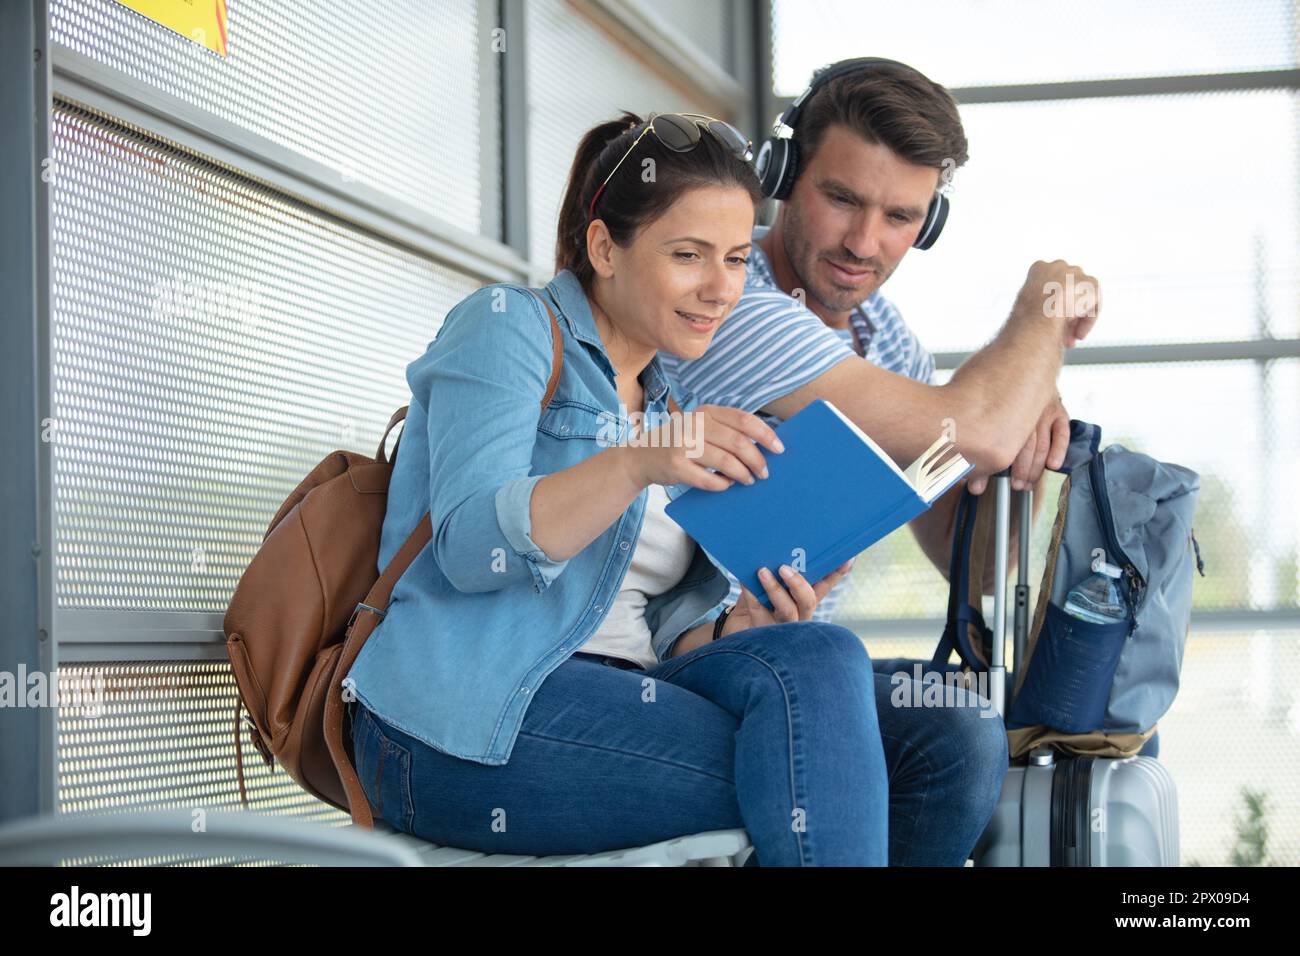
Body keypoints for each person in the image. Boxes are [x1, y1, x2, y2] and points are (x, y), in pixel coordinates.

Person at [343, 111, 889, 866]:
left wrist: (745, 626)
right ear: (604, 246)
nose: (720, 288)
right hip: (463, 723)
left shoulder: (665, 404)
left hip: (624, 695)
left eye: (735, 259)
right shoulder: (510, 329)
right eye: (689, 255)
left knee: (860, 685)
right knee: (810, 779)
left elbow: (655, 633)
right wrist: (636, 462)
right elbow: (471, 548)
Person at [656, 58, 1104, 863]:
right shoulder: (729, 303)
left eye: (901, 216)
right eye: (841, 199)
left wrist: (1028, 423)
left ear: (928, 223)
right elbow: (976, 425)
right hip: (689, 655)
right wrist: (1044, 310)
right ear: (781, 174)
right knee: (946, 730)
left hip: (798, 662)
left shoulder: (885, 340)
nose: (865, 243)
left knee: (980, 715)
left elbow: (968, 566)